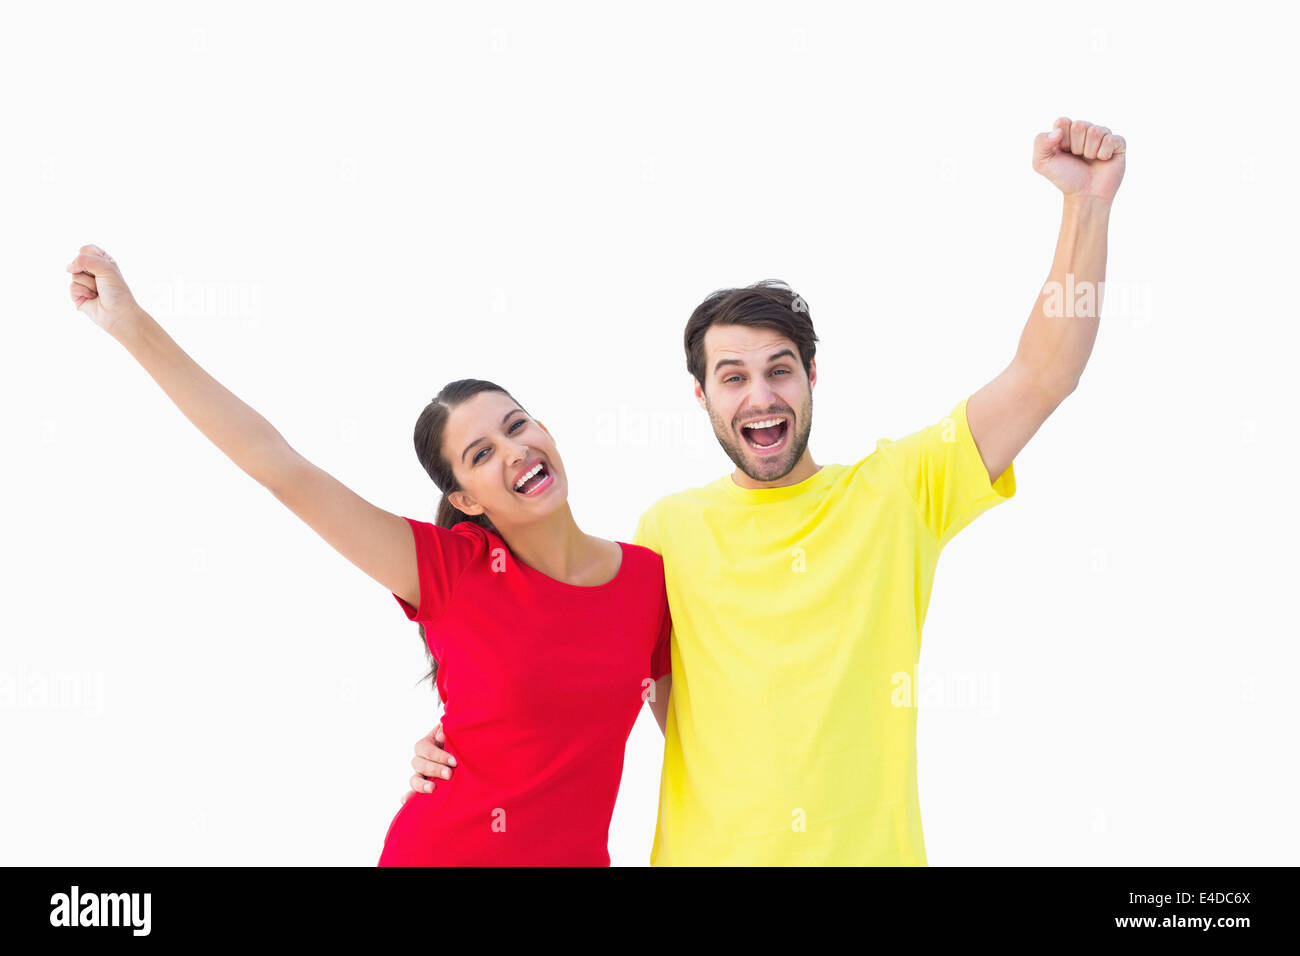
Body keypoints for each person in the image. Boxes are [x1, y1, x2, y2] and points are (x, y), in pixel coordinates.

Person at [408, 116, 1126, 864]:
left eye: (780, 370)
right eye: (734, 378)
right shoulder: (666, 532)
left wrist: (1088, 206)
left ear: (811, 377)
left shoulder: (902, 489)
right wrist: (463, 747)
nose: (761, 397)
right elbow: (571, 675)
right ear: (702, 397)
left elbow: (1046, 376)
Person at [63, 249, 672, 866]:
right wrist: (131, 326)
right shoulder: (449, 570)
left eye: (517, 426)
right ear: (463, 498)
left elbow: (696, 737)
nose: (514, 451)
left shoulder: (650, 579)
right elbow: (282, 469)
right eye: (481, 454)